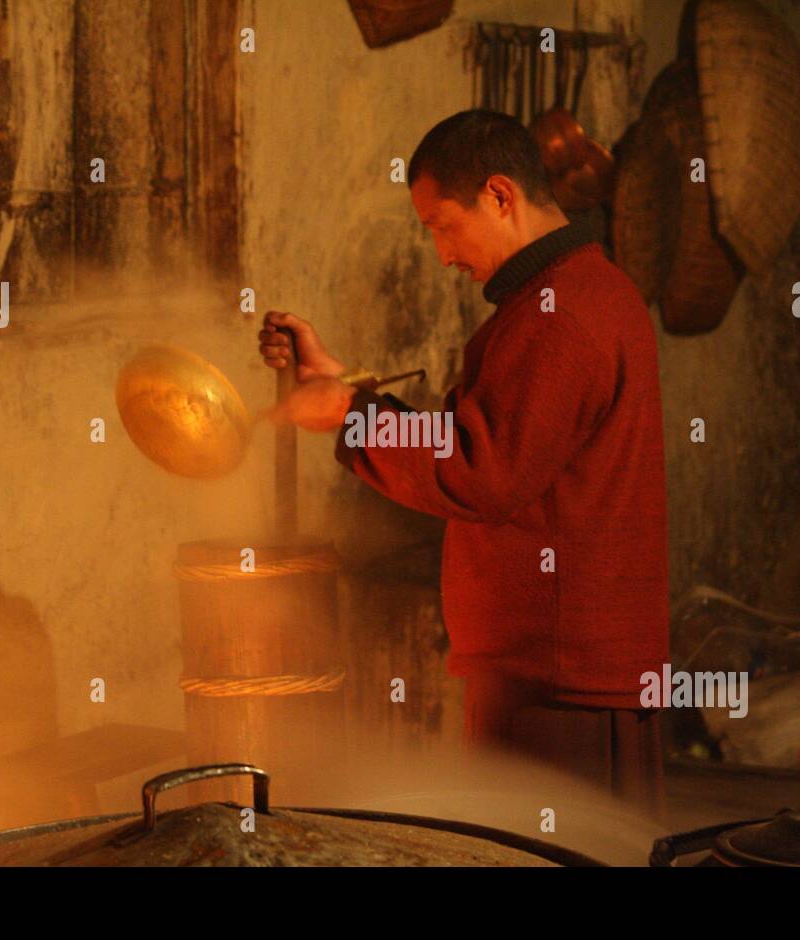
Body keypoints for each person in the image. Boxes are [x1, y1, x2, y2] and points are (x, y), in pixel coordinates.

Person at [259, 110, 669, 820]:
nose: (444, 253)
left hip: (561, 686)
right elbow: (486, 439)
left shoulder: (557, 316)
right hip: (559, 674)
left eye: (443, 225)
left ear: (500, 196)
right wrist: (352, 393)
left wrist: (353, 418)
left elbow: (484, 468)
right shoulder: (579, 291)